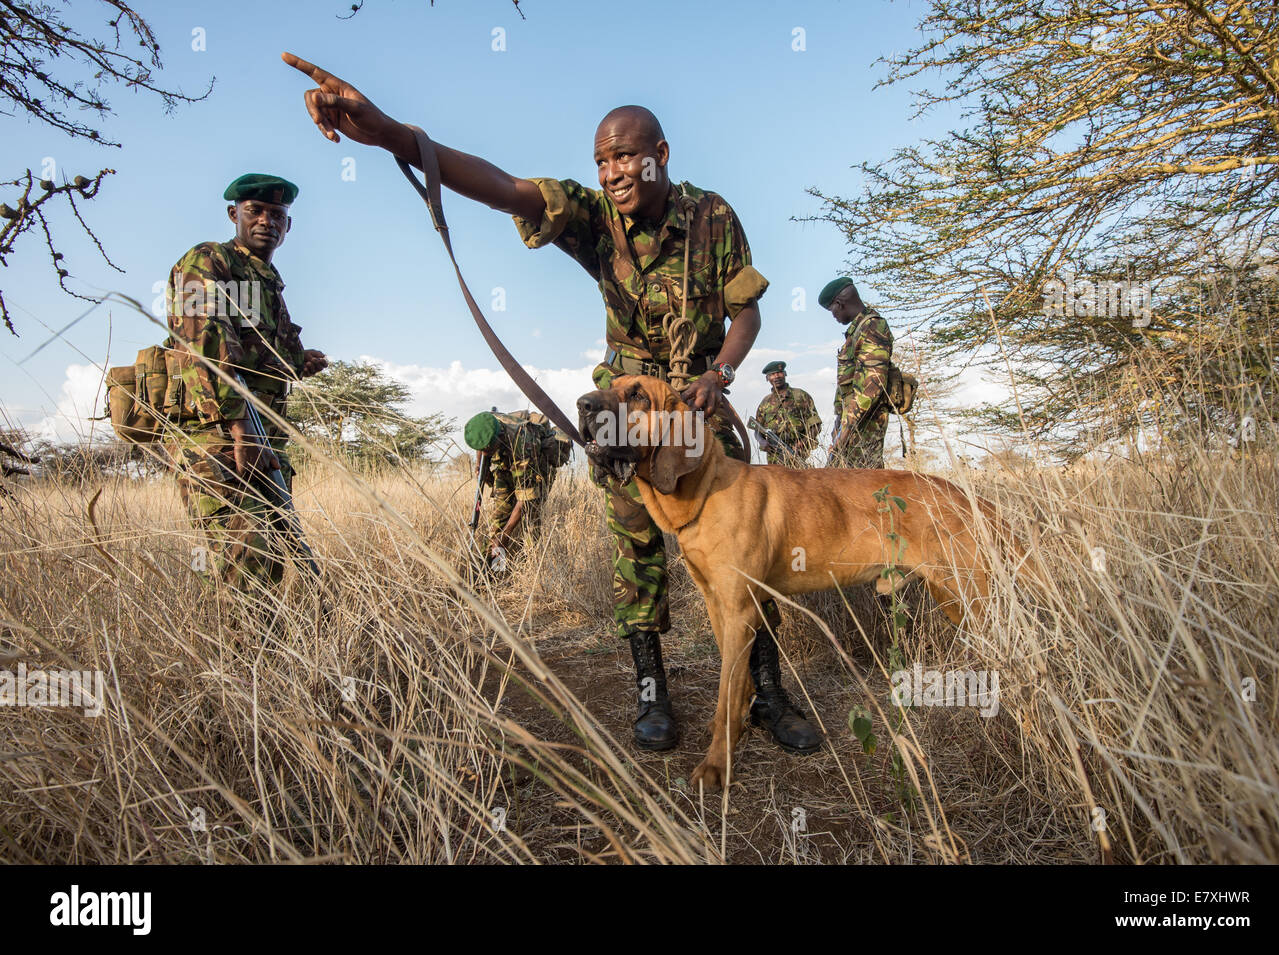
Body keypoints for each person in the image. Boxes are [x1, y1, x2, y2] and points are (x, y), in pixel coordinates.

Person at [282, 53, 823, 755]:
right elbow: (508, 189)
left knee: (747, 549)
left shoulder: (715, 215)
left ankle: (765, 691)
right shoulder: (593, 215)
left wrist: (719, 373)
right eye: (602, 161)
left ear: (660, 154)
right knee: (636, 548)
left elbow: (746, 313)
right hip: (622, 408)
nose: (613, 173)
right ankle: (652, 686)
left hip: (698, 402)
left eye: (627, 156)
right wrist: (390, 134)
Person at [164, 173, 328, 595]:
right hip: (218, 433)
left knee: (267, 549)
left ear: (288, 226)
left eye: (278, 215)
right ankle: (234, 655)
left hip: (264, 437)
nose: (266, 222)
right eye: (255, 211)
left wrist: (299, 361)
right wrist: (241, 430)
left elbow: (263, 360)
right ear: (233, 214)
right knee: (246, 547)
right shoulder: (209, 260)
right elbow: (203, 342)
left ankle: (260, 655)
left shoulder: (269, 283)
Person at [821, 277, 893, 469]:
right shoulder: (856, 331)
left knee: (866, 487)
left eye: (832, 310)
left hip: (865, 425)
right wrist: (839, 421)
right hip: (852, 422)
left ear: (839, 303)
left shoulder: (872, 327)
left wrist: (846, 428)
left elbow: (870, 386)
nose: (833, 316)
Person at [464, 410, 552, 561]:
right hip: (505, 463)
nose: (486, 453)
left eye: (489, 449)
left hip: (535, 467)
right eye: (482, 449)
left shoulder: (523, 444)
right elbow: (481, 444)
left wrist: (506, 534)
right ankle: (496, 571)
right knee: (499, 519)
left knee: (531, 520)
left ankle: (531, 568)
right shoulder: (485, 423)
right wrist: (479, 466)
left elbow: (525, 498)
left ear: (499, 437)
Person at [754, 360, 821, 466]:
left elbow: (816, 425)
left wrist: (802, 444)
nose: (776, 376)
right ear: (767, 378)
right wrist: (762, 442)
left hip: (798, 454)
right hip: (774, 457)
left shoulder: (801, 396)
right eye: (772, 374)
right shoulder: (765, 403)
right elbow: (757, 430)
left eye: (779, 373)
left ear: (785, 374)